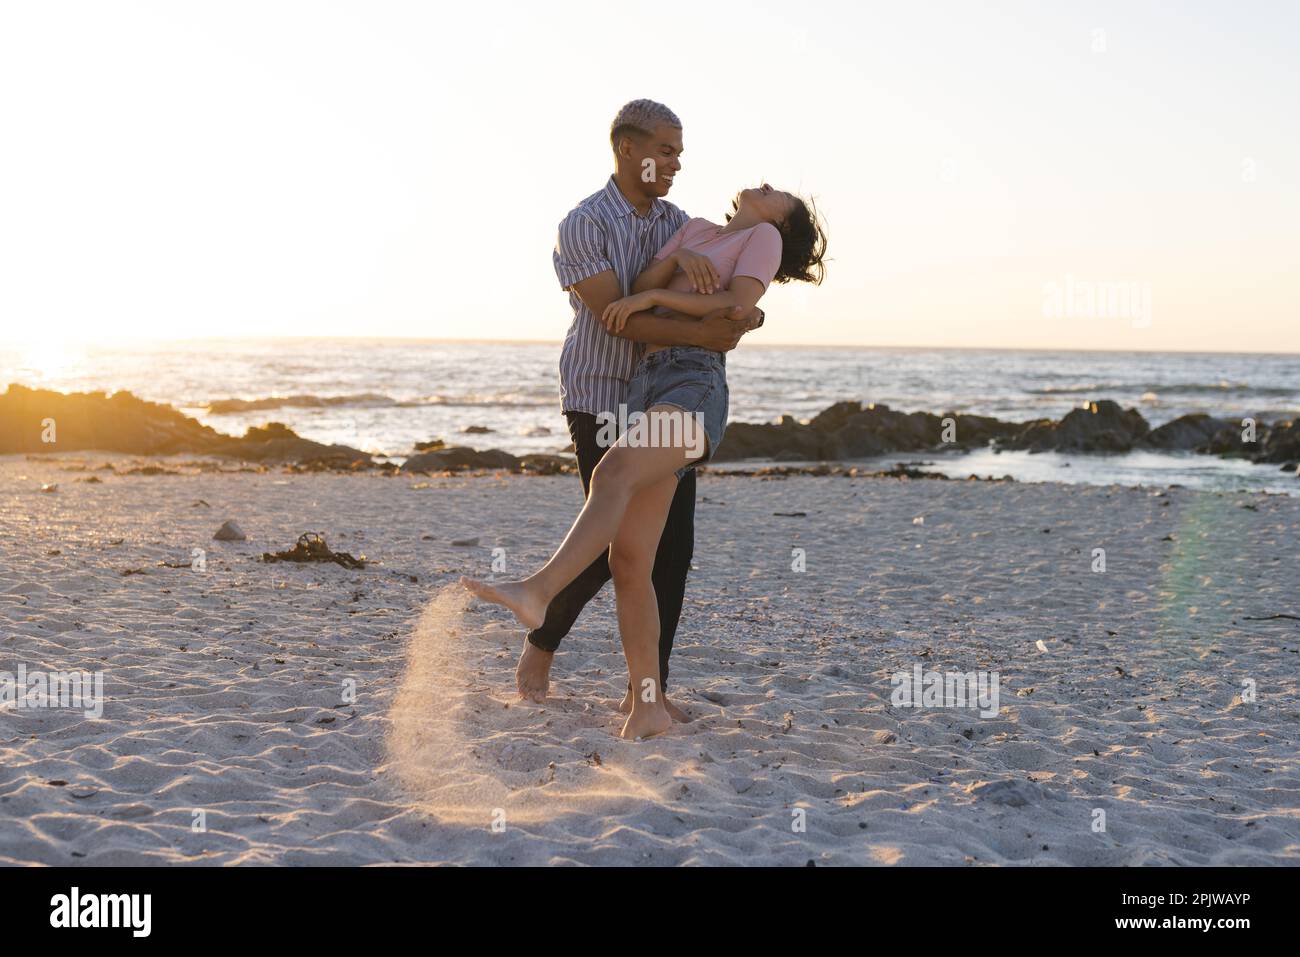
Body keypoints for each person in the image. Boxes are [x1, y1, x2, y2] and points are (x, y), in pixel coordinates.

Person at [464, 180, 828, 739]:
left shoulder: (762, 237)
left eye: (779, 192)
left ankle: (537, 591)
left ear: (781, 222)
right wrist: (673, 266)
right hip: (644, 384)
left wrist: (657, 299)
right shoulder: (694, 229)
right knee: (630, 561)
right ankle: (649, 706)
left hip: (693, 383)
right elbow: (638, 284)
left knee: (613, 473)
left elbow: (733, 308)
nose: (766, 185)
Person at [512, 99, 764, 716]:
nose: (676, 163)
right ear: (629, 148)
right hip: (602, 394)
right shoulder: (584, 225)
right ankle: (541, 642)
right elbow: (617, 318)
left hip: (669, 395)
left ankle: (647, 692)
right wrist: (706, 327)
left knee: (671, 550)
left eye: (679, 152)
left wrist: (729, 312)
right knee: (612, 546)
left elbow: (728, 302)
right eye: (666, 150)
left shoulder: (683, 221)